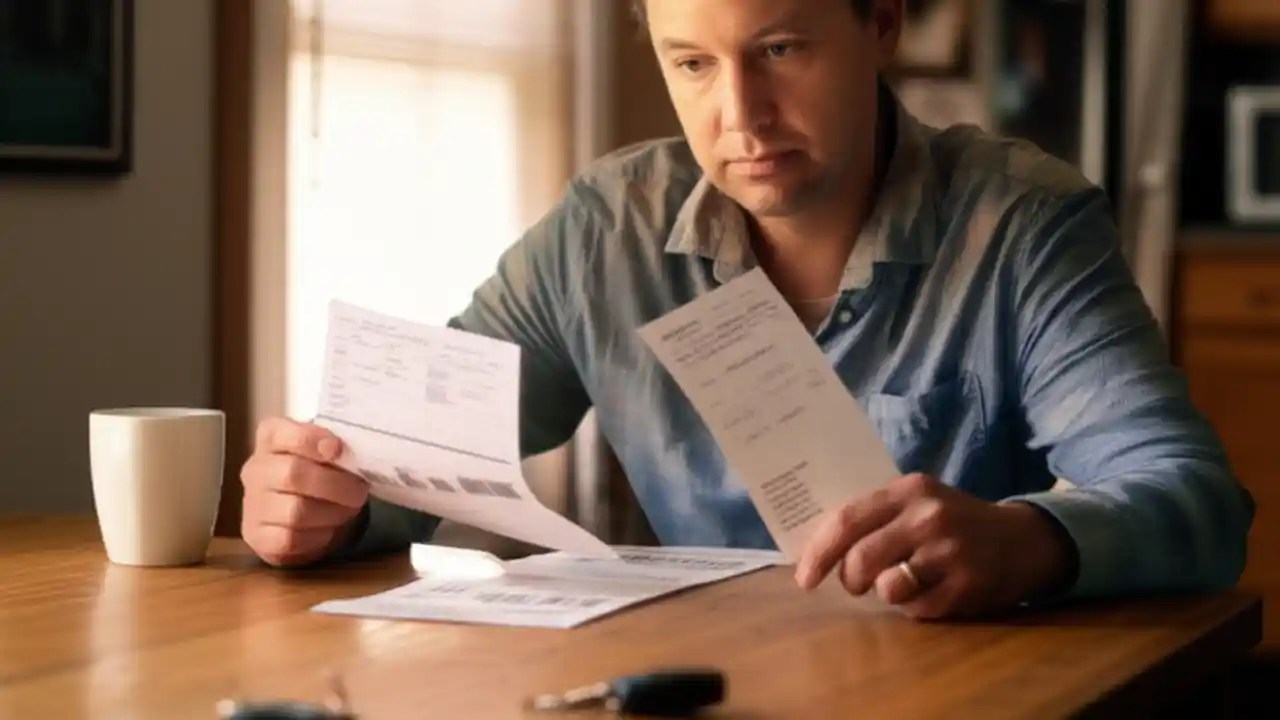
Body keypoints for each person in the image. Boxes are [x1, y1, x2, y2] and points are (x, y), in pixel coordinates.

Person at [239, 0, 1253, 619]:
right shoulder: (606, 231)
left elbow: (1195, 505)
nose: (740, 116)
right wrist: (328, 503)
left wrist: (1026, 540)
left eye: (778, 50)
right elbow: (417, 465)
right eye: (691, 63)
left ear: (881, 22)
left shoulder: (1020, 224)